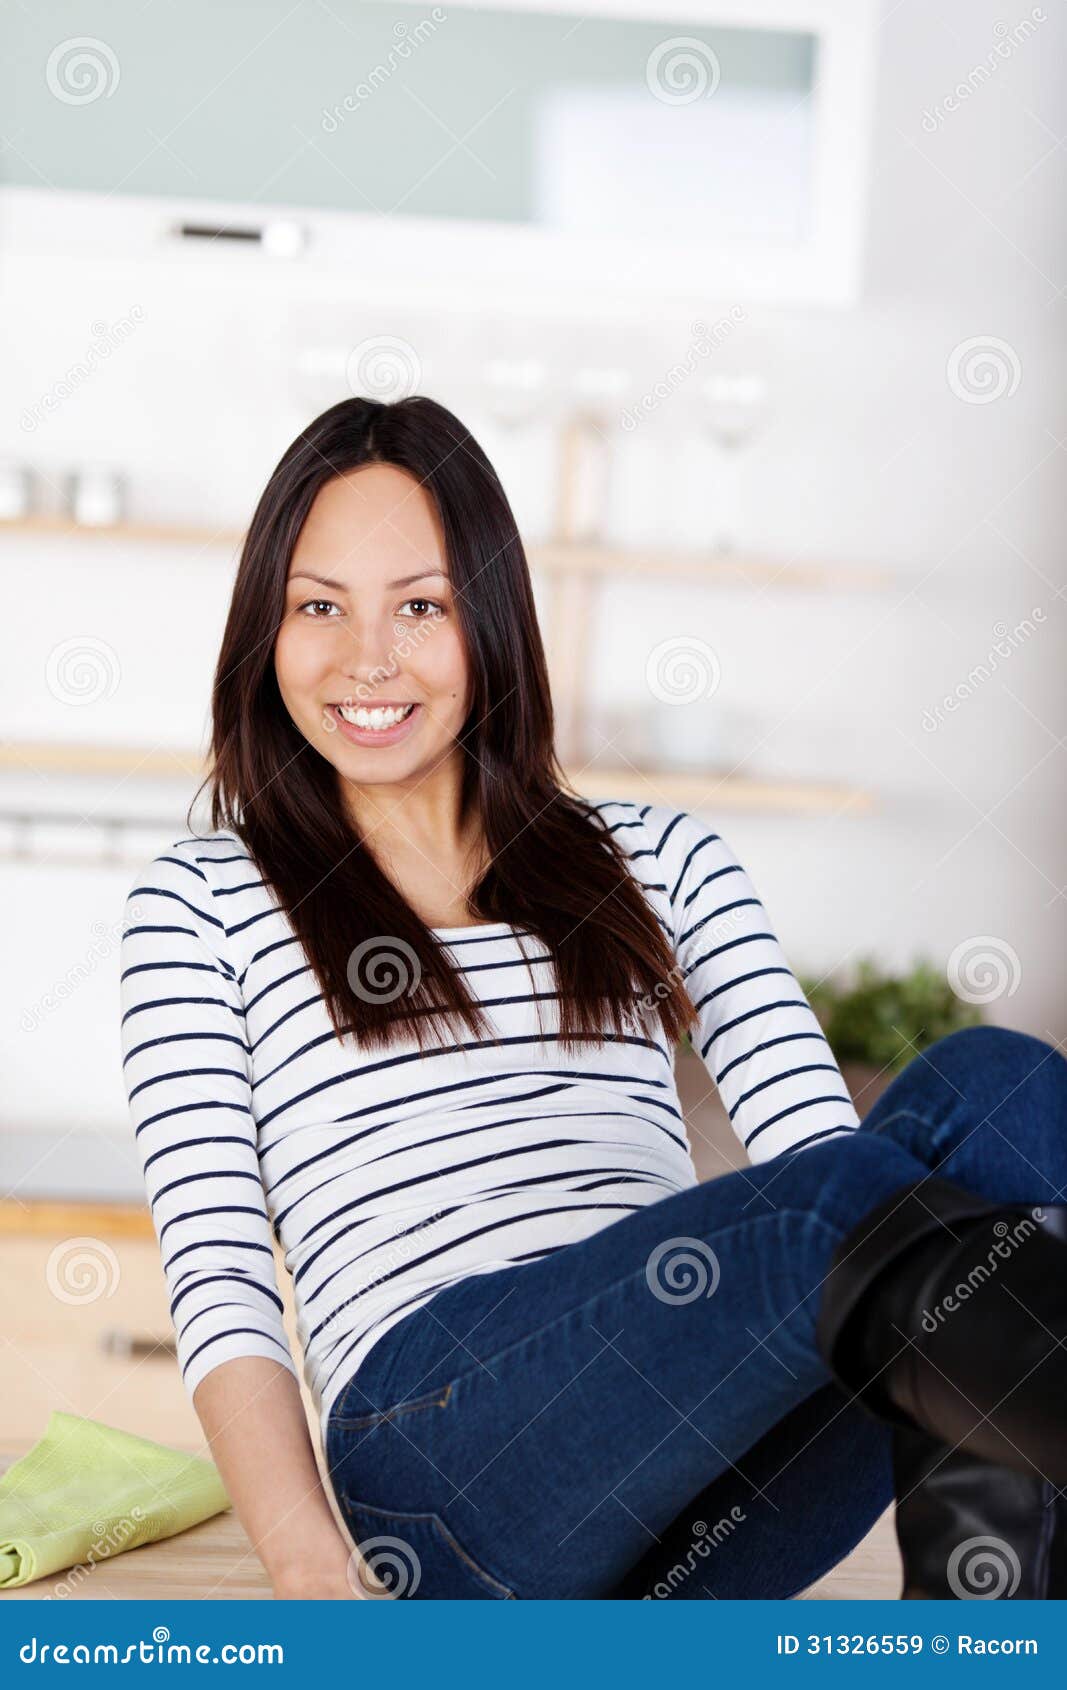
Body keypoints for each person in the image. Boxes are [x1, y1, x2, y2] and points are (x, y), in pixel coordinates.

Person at [119, 395, 1067, 1601]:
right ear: (265, 630)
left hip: (708, 1505)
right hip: (449, 1468)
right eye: (318, 607)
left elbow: (819, 1159)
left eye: (421, 605)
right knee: (836, 1216)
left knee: (998, 1095)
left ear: (493, 623)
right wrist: (312, 1575)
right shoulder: (203, 902)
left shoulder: (660, 859)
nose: (367, 658)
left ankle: (990, 1622)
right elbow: (220, 1275)